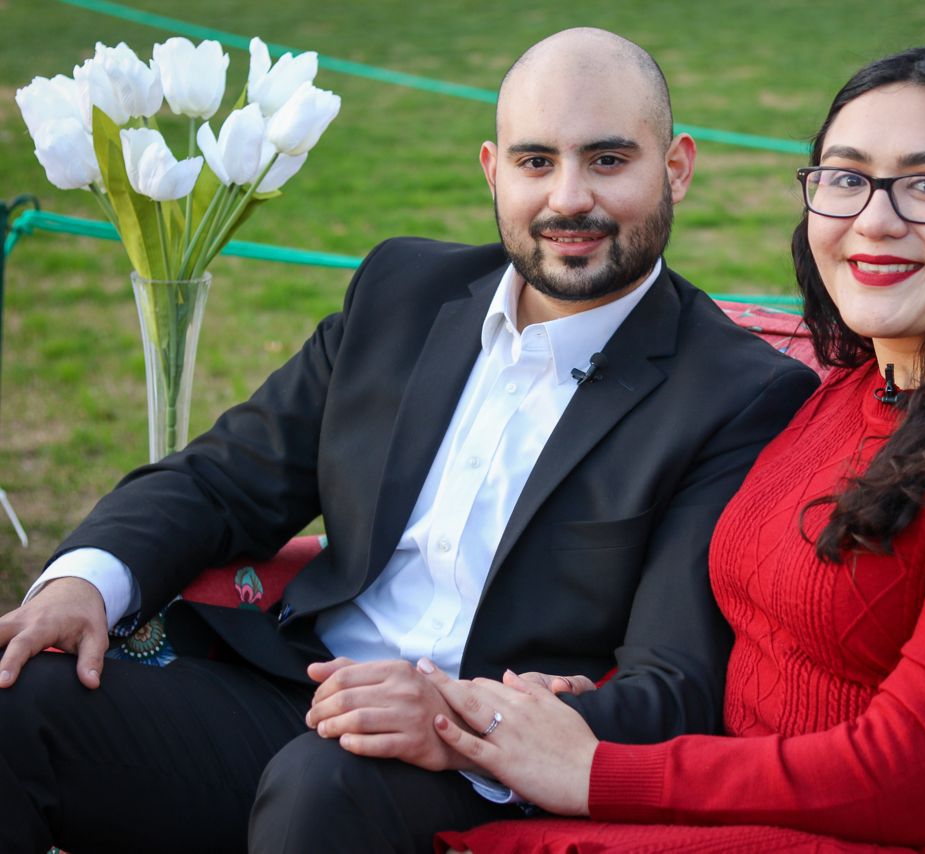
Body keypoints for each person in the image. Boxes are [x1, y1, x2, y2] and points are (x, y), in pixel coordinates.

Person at [0, 28, 817, 853]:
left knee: (321, 793)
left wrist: (462, 717)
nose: (569, 198)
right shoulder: (403, 290)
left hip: (482, 764)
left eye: (608, 161)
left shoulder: (737, 394)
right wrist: (82, 585)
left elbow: (675, 685)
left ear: (675, 167)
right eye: (537, 162)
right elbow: (223, 480)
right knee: (15, 705)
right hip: (299, 691)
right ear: (494, 170)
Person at [427, 47, 925, 852]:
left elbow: (909, 779)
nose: (874, 220)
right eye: (847, 178)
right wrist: (580, 704)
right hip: (763, 813)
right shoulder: (846, 396)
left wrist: (594, 770)